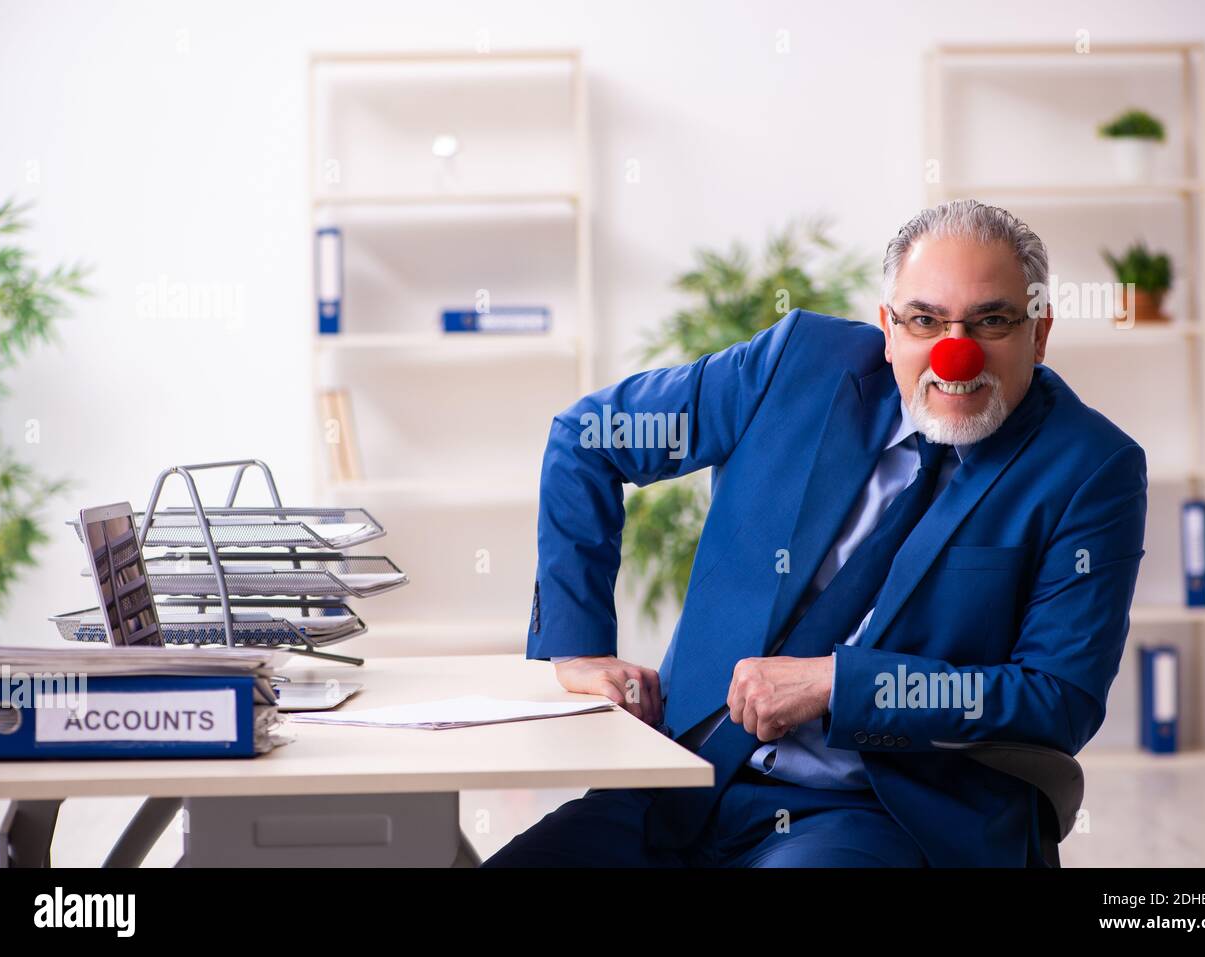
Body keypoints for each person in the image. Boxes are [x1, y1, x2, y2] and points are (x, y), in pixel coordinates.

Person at [481, 199, 1147, 867]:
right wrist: (576, 647)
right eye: (925, 319)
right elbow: (590, 439)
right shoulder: (796, 366)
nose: (956, 351)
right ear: (888, 329)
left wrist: (840, 683)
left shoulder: (1090, 467)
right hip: (680, 782)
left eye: (992, 320)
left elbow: (1056, 697)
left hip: (873, 814)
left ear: (1039, 332)